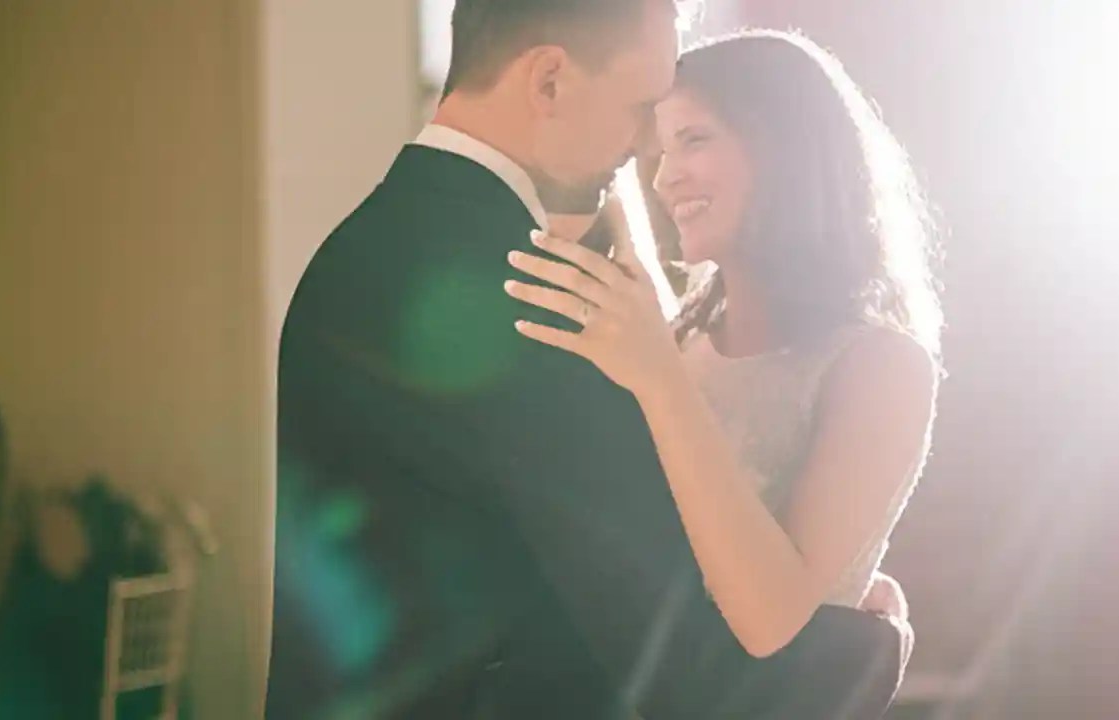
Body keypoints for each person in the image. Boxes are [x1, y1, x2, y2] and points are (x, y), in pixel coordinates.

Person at [267, 1, 905, 716]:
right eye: (640, 109)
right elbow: (670, 666)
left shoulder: (355, 249)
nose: (646, 152)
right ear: (549, 81)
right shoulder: (542, 299)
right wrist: (871, 646)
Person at [505, 27, 939, 709]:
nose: (664, 175)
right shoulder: (676, 340)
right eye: (661, 149)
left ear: (785, 148)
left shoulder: (880, 367)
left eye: (694, 140)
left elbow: (771, 621)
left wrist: (659, 378)